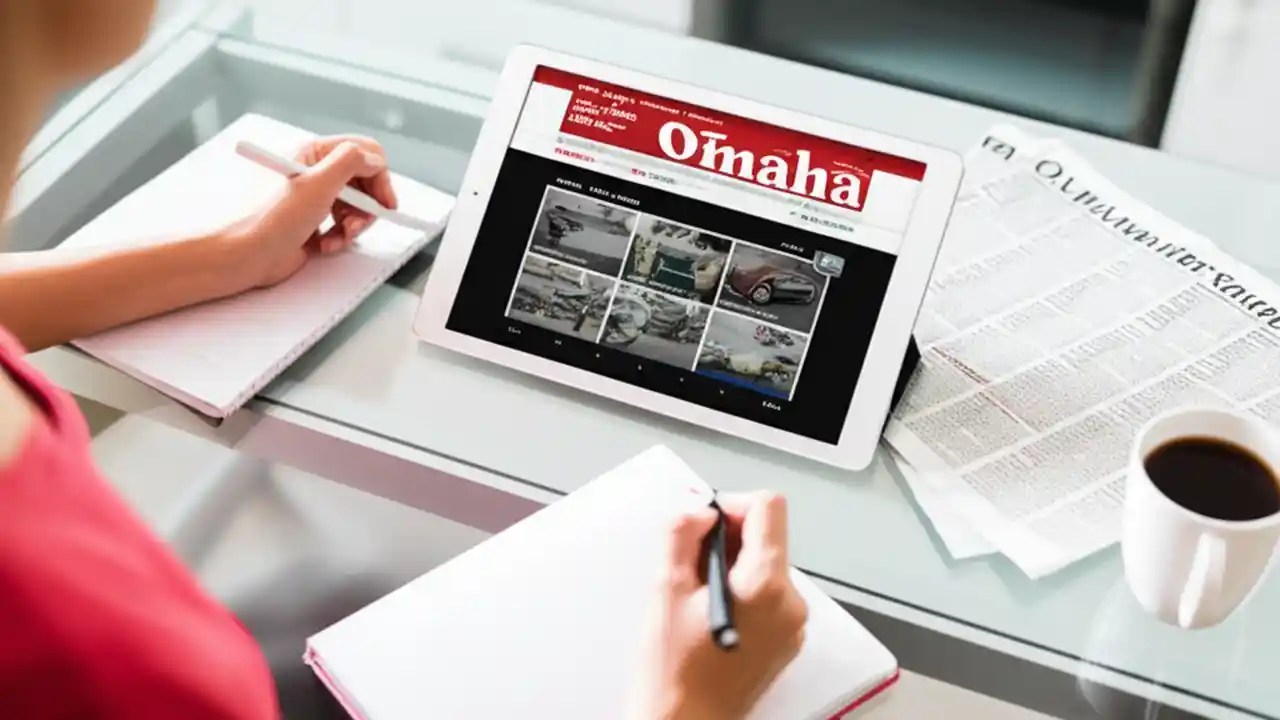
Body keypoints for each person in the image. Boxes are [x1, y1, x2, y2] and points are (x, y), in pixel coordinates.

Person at [0, 2, 808, 718]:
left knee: (359, 592)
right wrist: (692, 701)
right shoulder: (86, 661)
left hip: (220, 648)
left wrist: (233, 256)